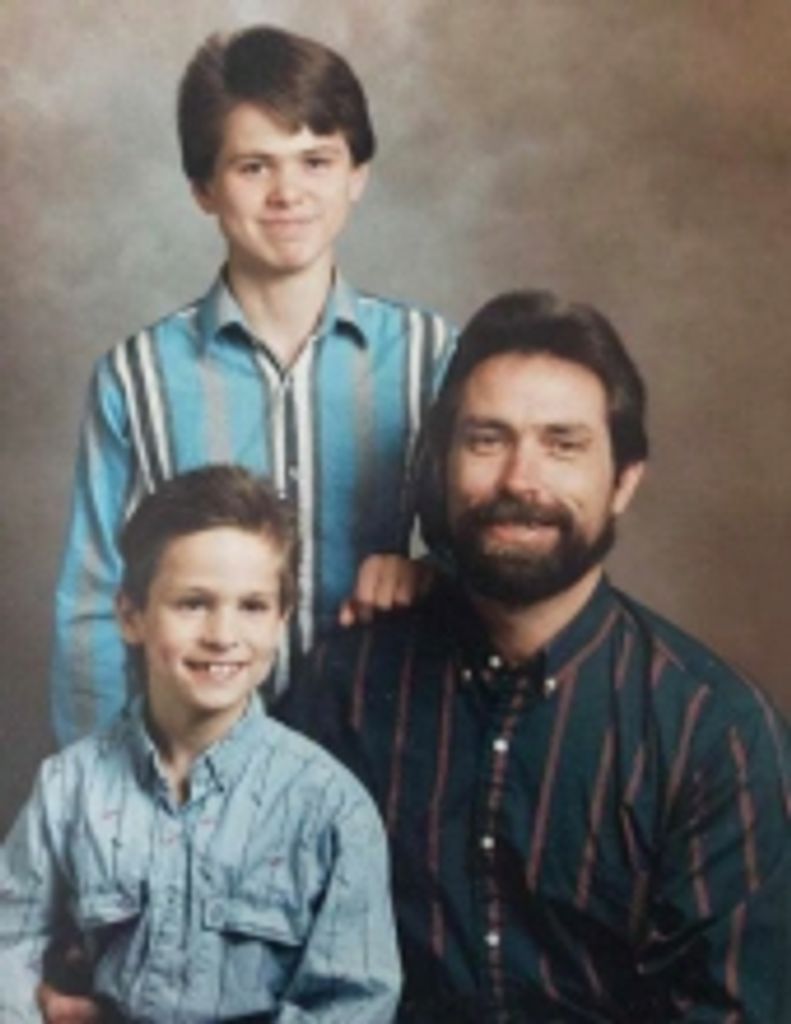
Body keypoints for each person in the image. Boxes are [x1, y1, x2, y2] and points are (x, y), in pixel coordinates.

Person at [279, 290, 791, 1022]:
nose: (521, 480)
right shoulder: (347, 686)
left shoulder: (715, 736)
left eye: (563, 444)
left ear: (623, 481)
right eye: (487, 440)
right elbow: (259, 933)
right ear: (440, 467)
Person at [50, 24, 454, 746]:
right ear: (203, 189)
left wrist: (428, 570)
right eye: (253, 166)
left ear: (357, 175)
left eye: (316, 161)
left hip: (381, 751)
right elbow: (92, 610)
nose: (288, 193)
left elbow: (485, 557)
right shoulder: (136, 379)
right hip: (193, 758)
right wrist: (103, 786)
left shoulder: (428, 356)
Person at [1, 465, 400, 1023]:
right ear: (131, 615)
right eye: (192, 603)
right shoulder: (70, 788)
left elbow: (354, 1003)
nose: (222, 635)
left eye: (252, 606)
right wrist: (29, 1010)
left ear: (281, 620)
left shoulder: (331, 808)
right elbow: (9, 941)